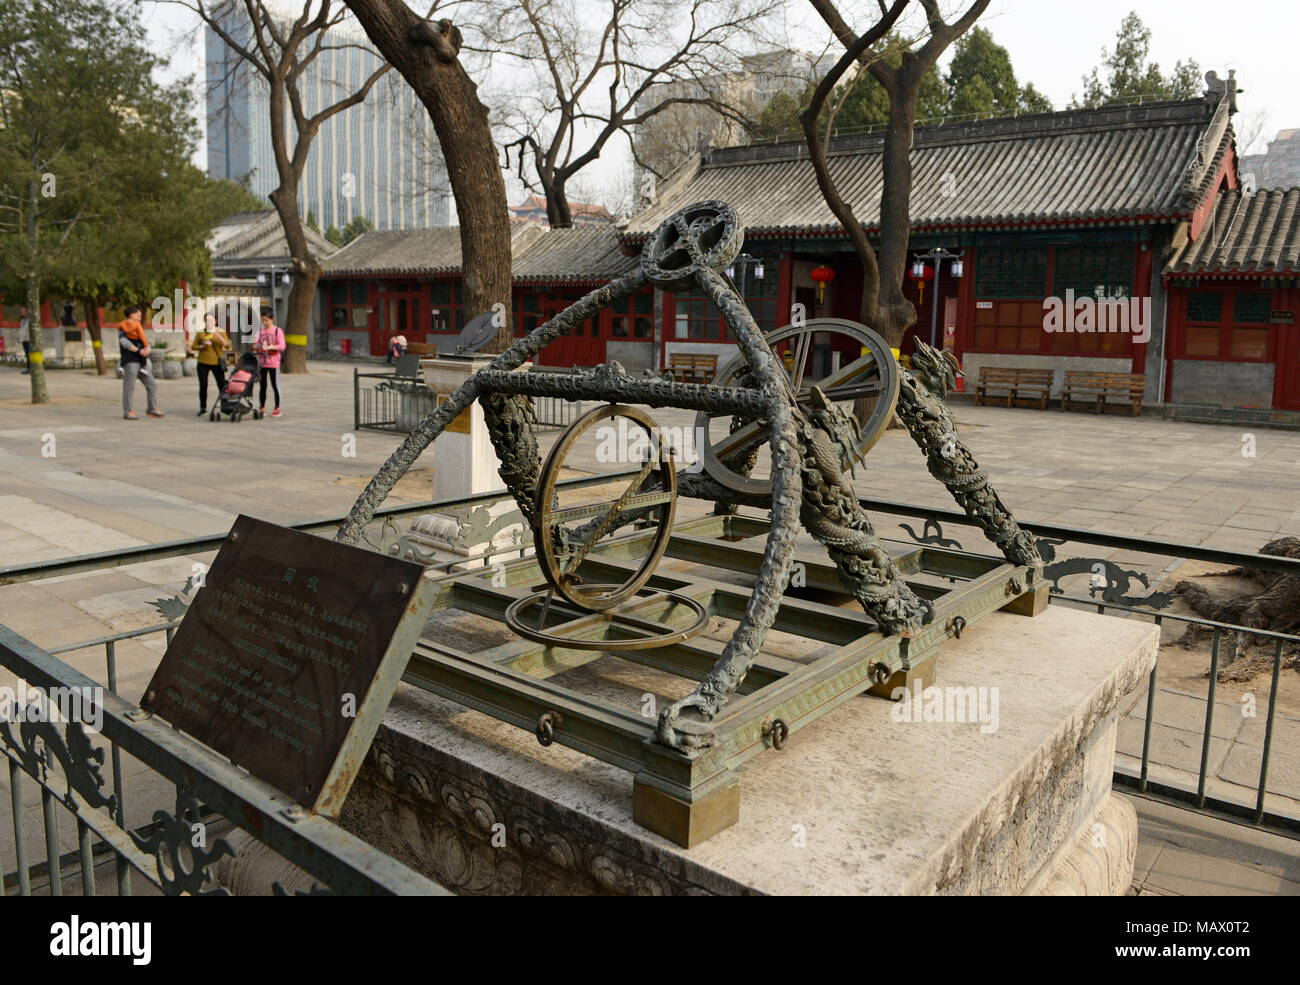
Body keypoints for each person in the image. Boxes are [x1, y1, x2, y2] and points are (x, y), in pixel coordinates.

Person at [118, 306, 164, 419]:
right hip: (131, 361)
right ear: (131, 315)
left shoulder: (139, 328)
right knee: (129, 387)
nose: (139, 317)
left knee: (152, 384)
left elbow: (144, 341)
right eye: (137, 314)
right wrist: (139, 351)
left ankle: (152, 408)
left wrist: (147, 348)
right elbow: (124, 343)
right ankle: (128, 411)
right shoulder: (123, 327)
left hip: (142, 363)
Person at [189, 312, 230, 415]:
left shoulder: (220, 332)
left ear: (215, 321)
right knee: (203, 385)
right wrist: (202, 346)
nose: (209, 322)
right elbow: (193, 347)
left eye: (211, 320)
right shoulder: (201, 333)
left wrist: (218, 337)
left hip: (217, 362)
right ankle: (203, 408)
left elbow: (228, 345)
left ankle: (225, 407)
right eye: (207, 320)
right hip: (203, 362)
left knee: (221, 385)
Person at [254, 306, 285, 417]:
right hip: (263, 362)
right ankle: (261, 407)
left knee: (275, 385)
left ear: (272, 319)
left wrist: (272, 346)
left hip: (274, 363)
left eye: (266, 320)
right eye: (263, 320)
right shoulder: (261, 332)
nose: (264, 322)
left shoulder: (277, 331)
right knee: (263, 386)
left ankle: (277, 407)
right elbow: (255, 345)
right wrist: (258, 346)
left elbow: (282, 346)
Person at [19, 307, 31, 374]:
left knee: (29, 354)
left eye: (23, 311)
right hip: (23, 339)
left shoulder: (30, 320)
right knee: (27, 354)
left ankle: (30, 367)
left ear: (26, 312)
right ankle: (28, 367)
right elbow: (21, 330)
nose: (21, 312)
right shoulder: (23, 320)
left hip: (28, 339)